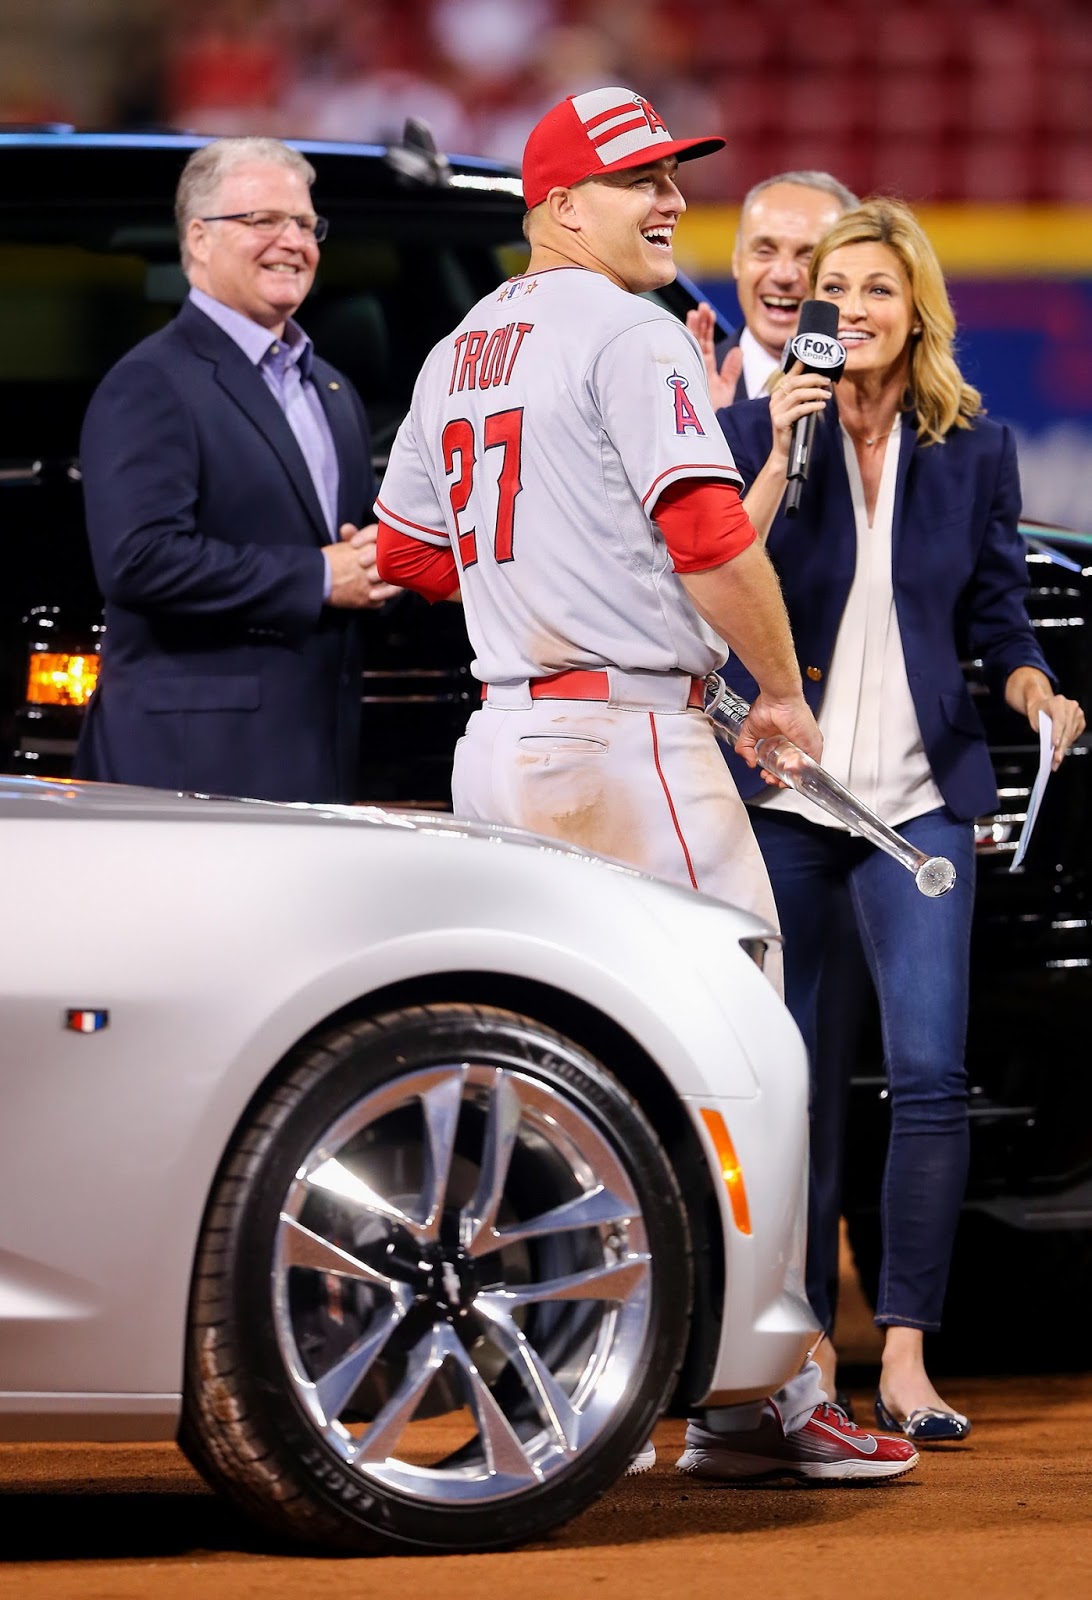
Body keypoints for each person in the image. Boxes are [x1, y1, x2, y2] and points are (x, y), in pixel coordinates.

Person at [374, 84, 918, 1485]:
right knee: (741, 1057)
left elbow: (416, 554)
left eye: (674, 174)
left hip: (503, 742)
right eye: (636, 182)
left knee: (546, 1074)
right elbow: (705, 528)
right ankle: (767, 1397)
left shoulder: (461, 346)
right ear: (558, 207)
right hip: (628, 750)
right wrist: (784, 697)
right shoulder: (626, 331)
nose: (670, 198)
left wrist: (545, 562)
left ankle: (566, 1369)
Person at [715, 197, 1086, 1443]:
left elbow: (996, 612)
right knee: (796, 1086)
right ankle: (807, 1355)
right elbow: (715, 579)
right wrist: (776, 448)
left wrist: (1035, 687)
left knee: (930, 1074)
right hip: (787, 804)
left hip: (921, 804)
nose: (857, 310)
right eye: (838, 290)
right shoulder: (752, 428)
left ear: (916, 304)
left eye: (880, 288)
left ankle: (910, 1354)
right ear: (810, 310)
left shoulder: (972, 443)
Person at [75, 135, 398, 803]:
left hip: (319, 750)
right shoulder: (151, 382)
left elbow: (346, 549)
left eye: (306, 224)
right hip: (191, 768)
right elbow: (140, 559)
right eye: (263, 221)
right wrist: (318, 575)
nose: (294, 241)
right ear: (198, 239)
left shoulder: (330, 389)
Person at [685, 170, 858, 410]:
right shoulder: (685, 385)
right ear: (737, 260)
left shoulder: (870, 395)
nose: (783, 275)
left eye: (809, 256)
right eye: (764, 252)